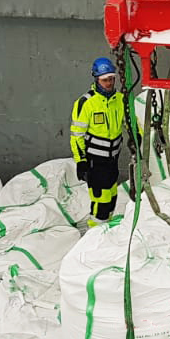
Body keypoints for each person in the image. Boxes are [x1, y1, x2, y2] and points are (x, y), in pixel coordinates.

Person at [71, 56, 125, 225]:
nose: (109, 83)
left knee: (112, 197)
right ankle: (94, 232)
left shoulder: (120, 100)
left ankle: (106, 230)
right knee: (101, 201)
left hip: (113, 160)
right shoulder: (86, 103)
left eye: (111, 79)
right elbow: (77, 136)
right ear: (96, 79)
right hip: (96, 162)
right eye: (105, 80)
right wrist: (81, 161)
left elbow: (132, 123)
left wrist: (137, 138)